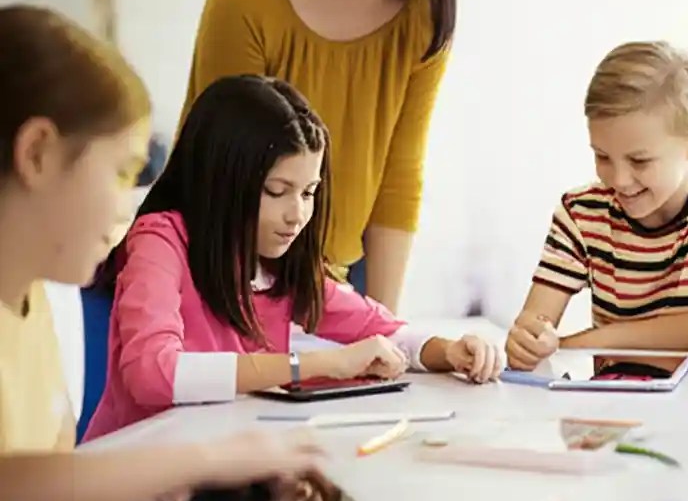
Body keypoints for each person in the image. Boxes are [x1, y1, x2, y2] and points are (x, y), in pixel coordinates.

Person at [0, 5, 320, 501]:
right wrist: (200, 461)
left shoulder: (28, 302)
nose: (128, 206)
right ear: (38, 154)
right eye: (122, 170)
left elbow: (46, 481)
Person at [84, 76, 501, 440]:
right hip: (138, 468)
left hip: (221, 461)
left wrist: (446, 352)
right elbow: (154, 374)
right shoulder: (160, 239)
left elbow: (379, 331)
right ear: (224, 182)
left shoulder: (276, 263)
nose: (297, 215)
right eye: (276, 191)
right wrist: (317, 364)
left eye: (308, 193)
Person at [183, 0, 457, 311]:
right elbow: (225, 170)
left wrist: (384, 323)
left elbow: (399, 178)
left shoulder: (423, 15)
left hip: (342, 273)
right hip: (230, 263)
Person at [505, 42, 688, 370]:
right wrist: (528, 340)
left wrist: (594, 340)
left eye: (640, 160)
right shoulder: (581, 213)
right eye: (602, 156)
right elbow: (535, 321)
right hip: (609, 404)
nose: (619, 180)